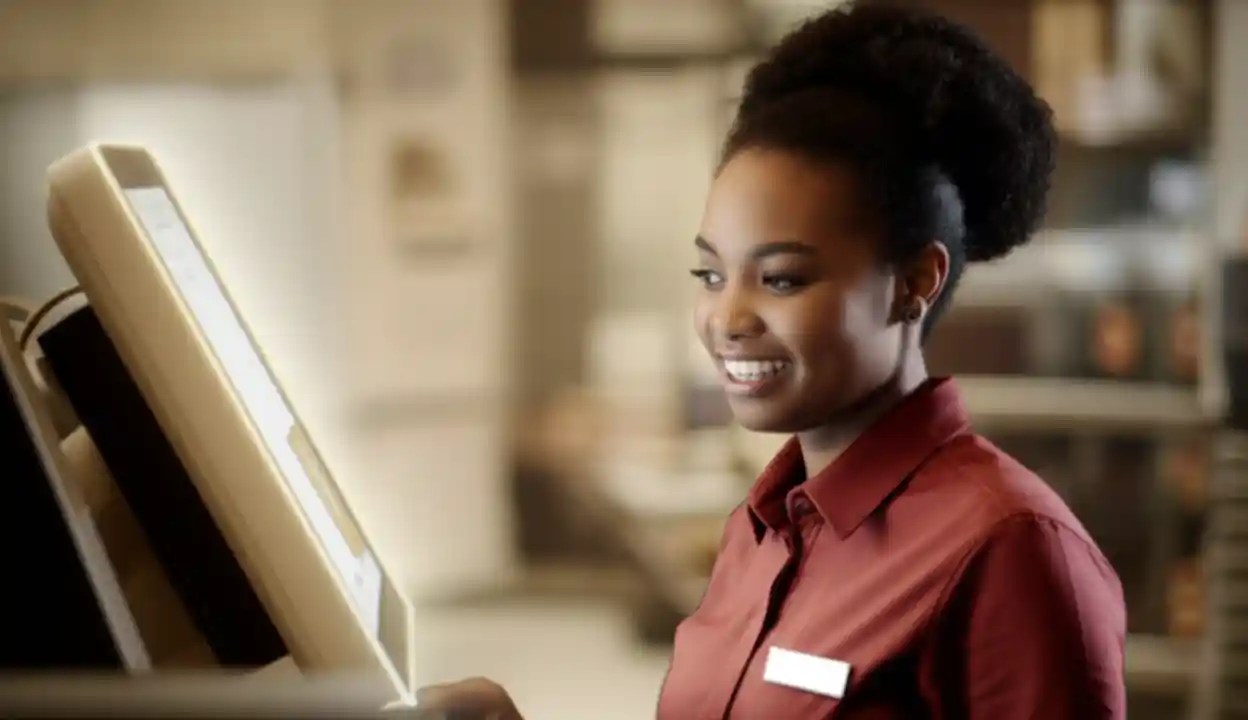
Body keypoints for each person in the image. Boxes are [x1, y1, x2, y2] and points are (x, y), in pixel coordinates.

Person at [418, 3, 1126, 718]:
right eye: (711, 276)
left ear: (915, 282)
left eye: (782, 278)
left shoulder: (1011, 551)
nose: (727, 319)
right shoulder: (763, 529)